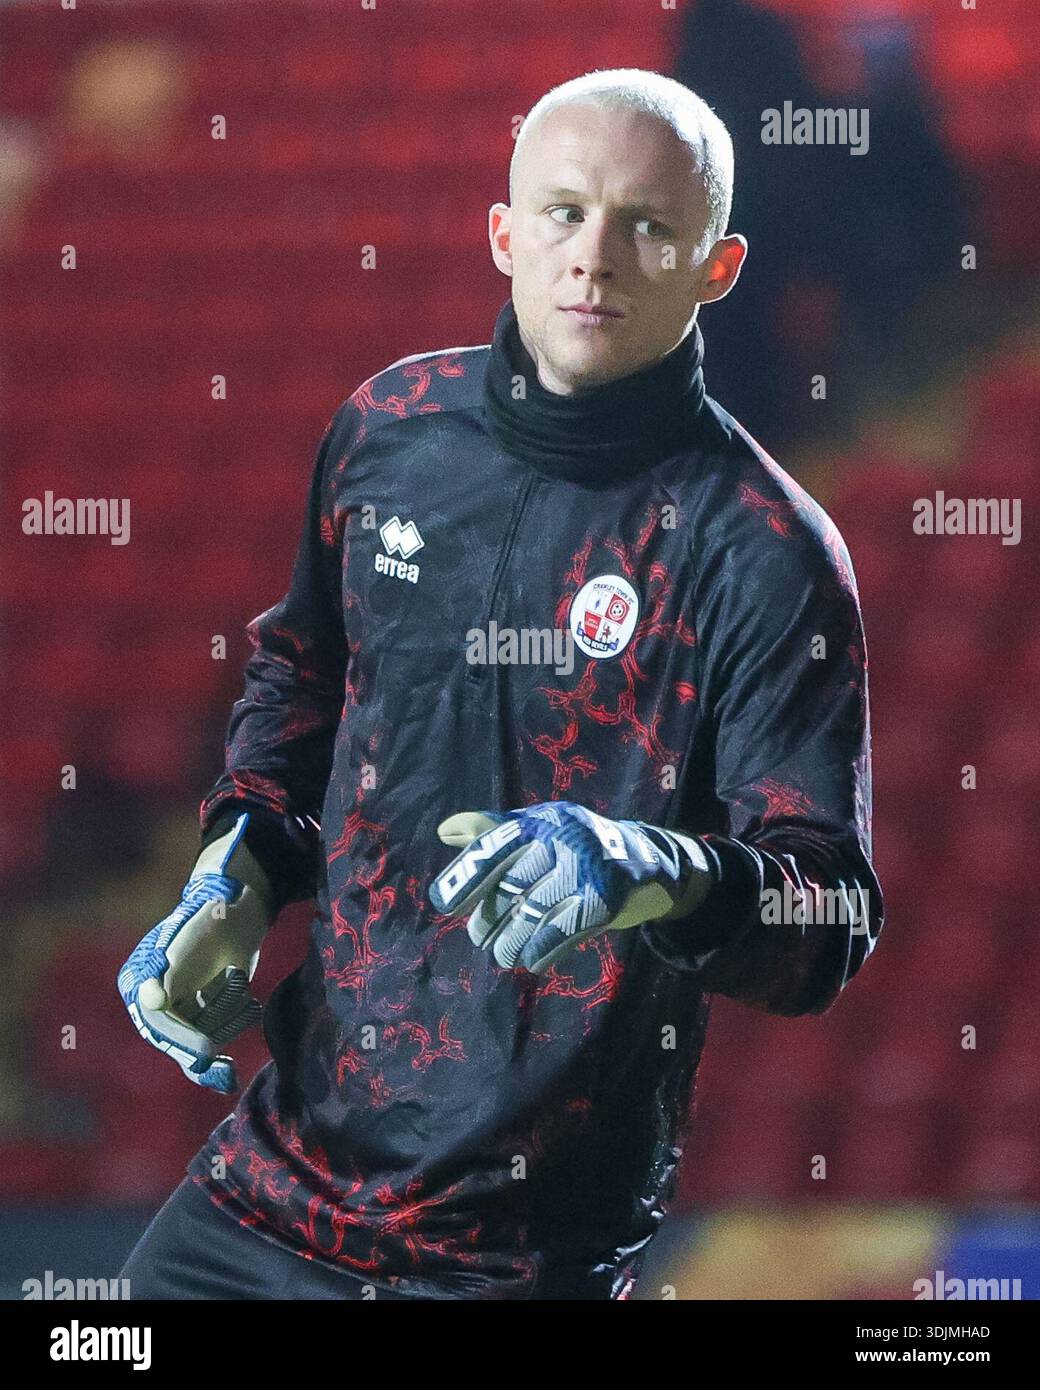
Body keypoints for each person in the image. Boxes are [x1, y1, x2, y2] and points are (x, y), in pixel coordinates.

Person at [117, 67, 883, 1302]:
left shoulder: (764, 551)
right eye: (563, 212)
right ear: (502, 234)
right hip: (267, 1192)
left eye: (647, 225)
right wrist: (237, 873)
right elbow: (299, 690)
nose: (595, 256)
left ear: (716, 267)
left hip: (517, 1255)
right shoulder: (384, 431)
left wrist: (647, 869)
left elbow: (827, 919)